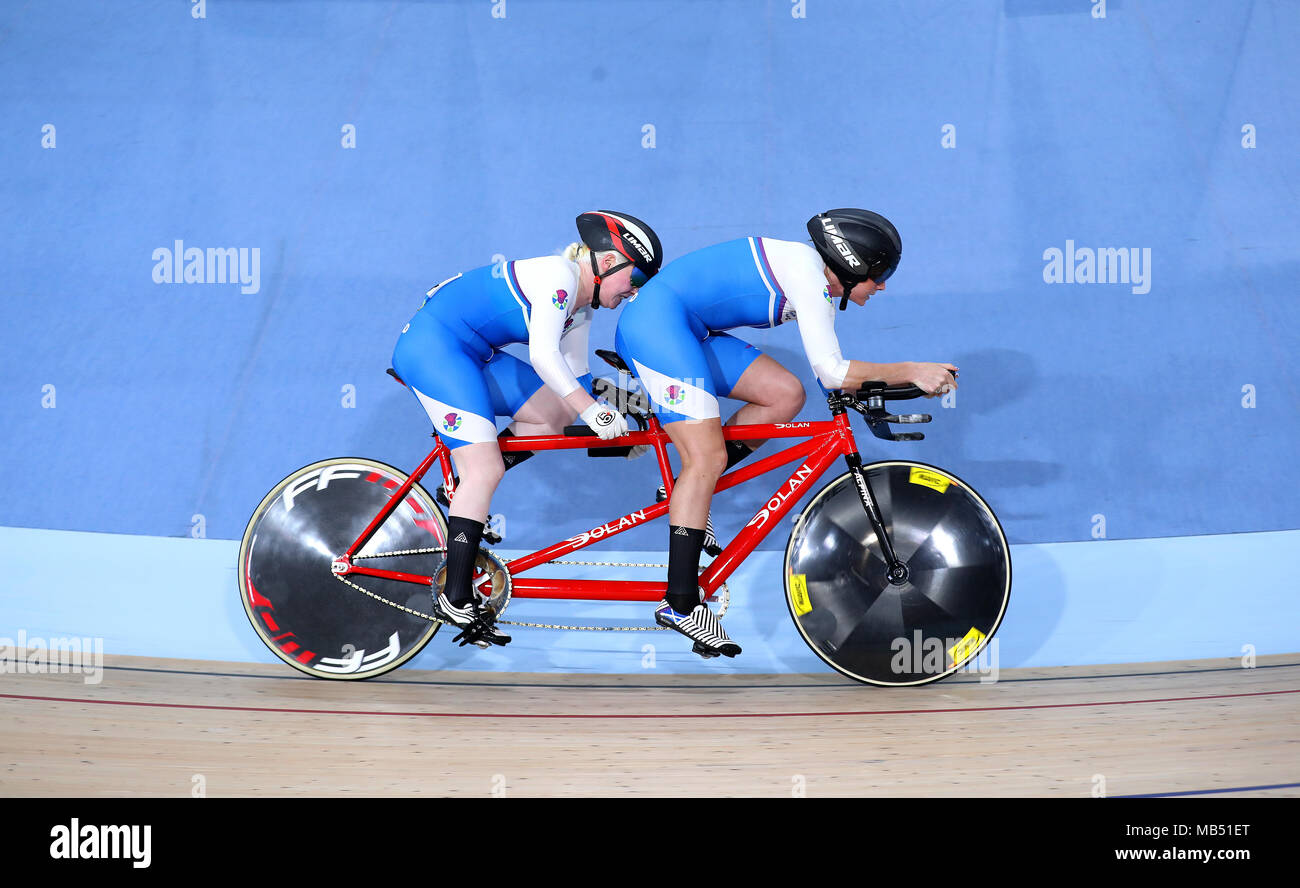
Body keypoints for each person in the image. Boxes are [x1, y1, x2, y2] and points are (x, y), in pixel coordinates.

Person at [614, 208, 957, 658]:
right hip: (657, 328)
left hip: (686, 329)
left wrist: (881, 384)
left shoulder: (811, 276)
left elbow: (825, 375)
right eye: (880, 275)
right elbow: (834, 372)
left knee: (783, 394)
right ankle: (680, 602)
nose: (883, 286)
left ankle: (683, 490)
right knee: (707, 458)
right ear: (853, 264)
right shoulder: (810, 278)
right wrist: (912, 369)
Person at [392, 211, 663, 647]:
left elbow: (571, 379)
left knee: (555, 414)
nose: (633, 293)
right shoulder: (559, 277)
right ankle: (456, 595)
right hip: (435, 350)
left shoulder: (580, 307)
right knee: (486, 472)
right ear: (609, 261)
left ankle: (462, 487)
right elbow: (542, 356)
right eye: (635, 280)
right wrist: (594, 411)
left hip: (472, 354)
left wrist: (618, 405)